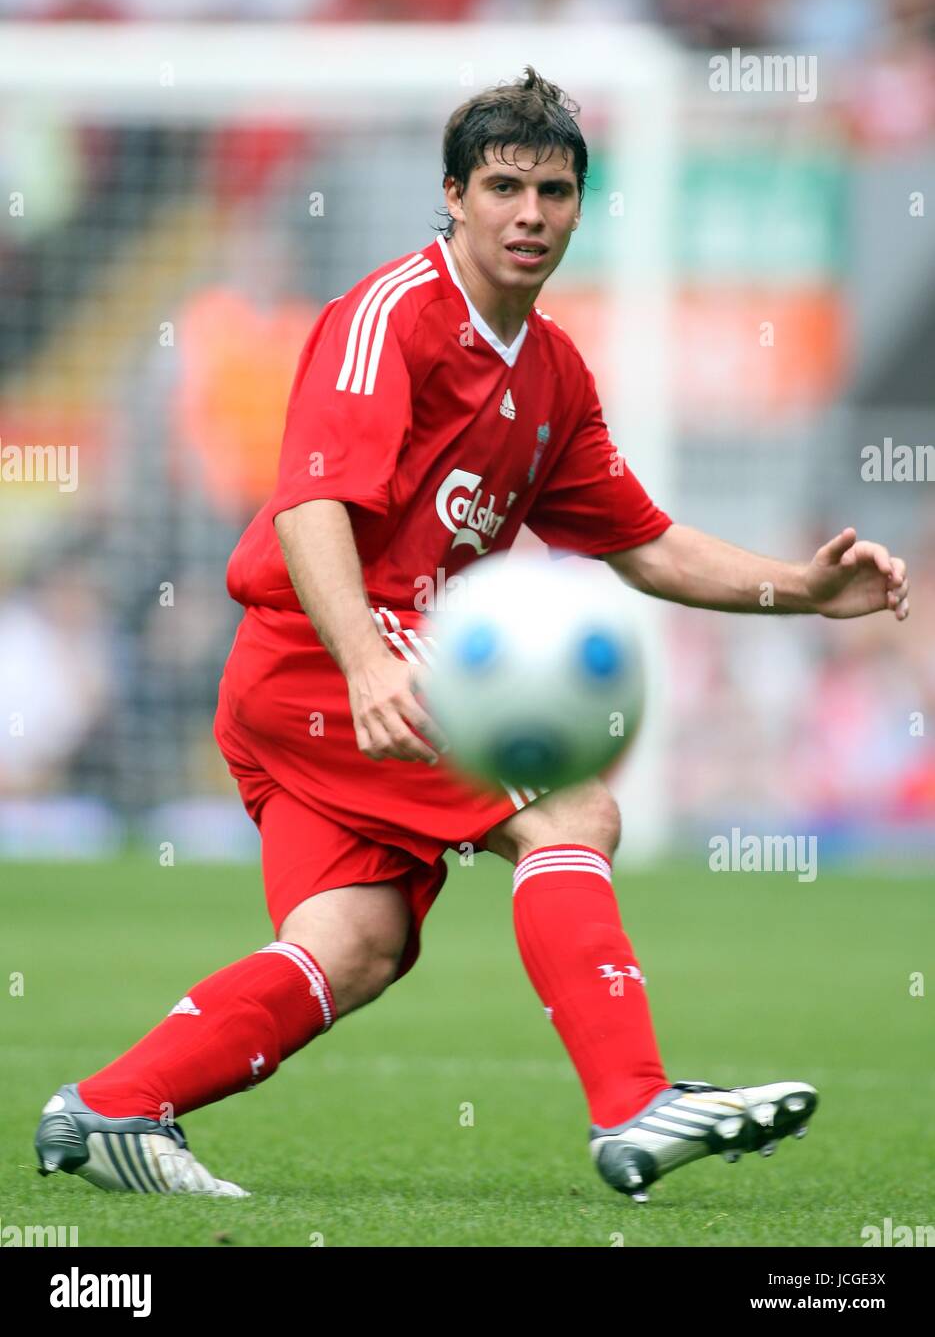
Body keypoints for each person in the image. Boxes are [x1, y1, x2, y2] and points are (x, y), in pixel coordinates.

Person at [35, 67, 910, 1204]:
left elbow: (638, 542)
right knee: (569, 805)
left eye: (551, 190)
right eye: (501, 186)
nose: (527, 213)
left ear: (579, 207)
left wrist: (799, 588)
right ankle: (635, 1102)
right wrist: (362, 662)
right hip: (322, 653)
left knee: (356, 943)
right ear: (453, 194)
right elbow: (310, 504)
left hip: (350, 672)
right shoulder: (390, 315)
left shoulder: (552, 373)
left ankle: (106, 1109)